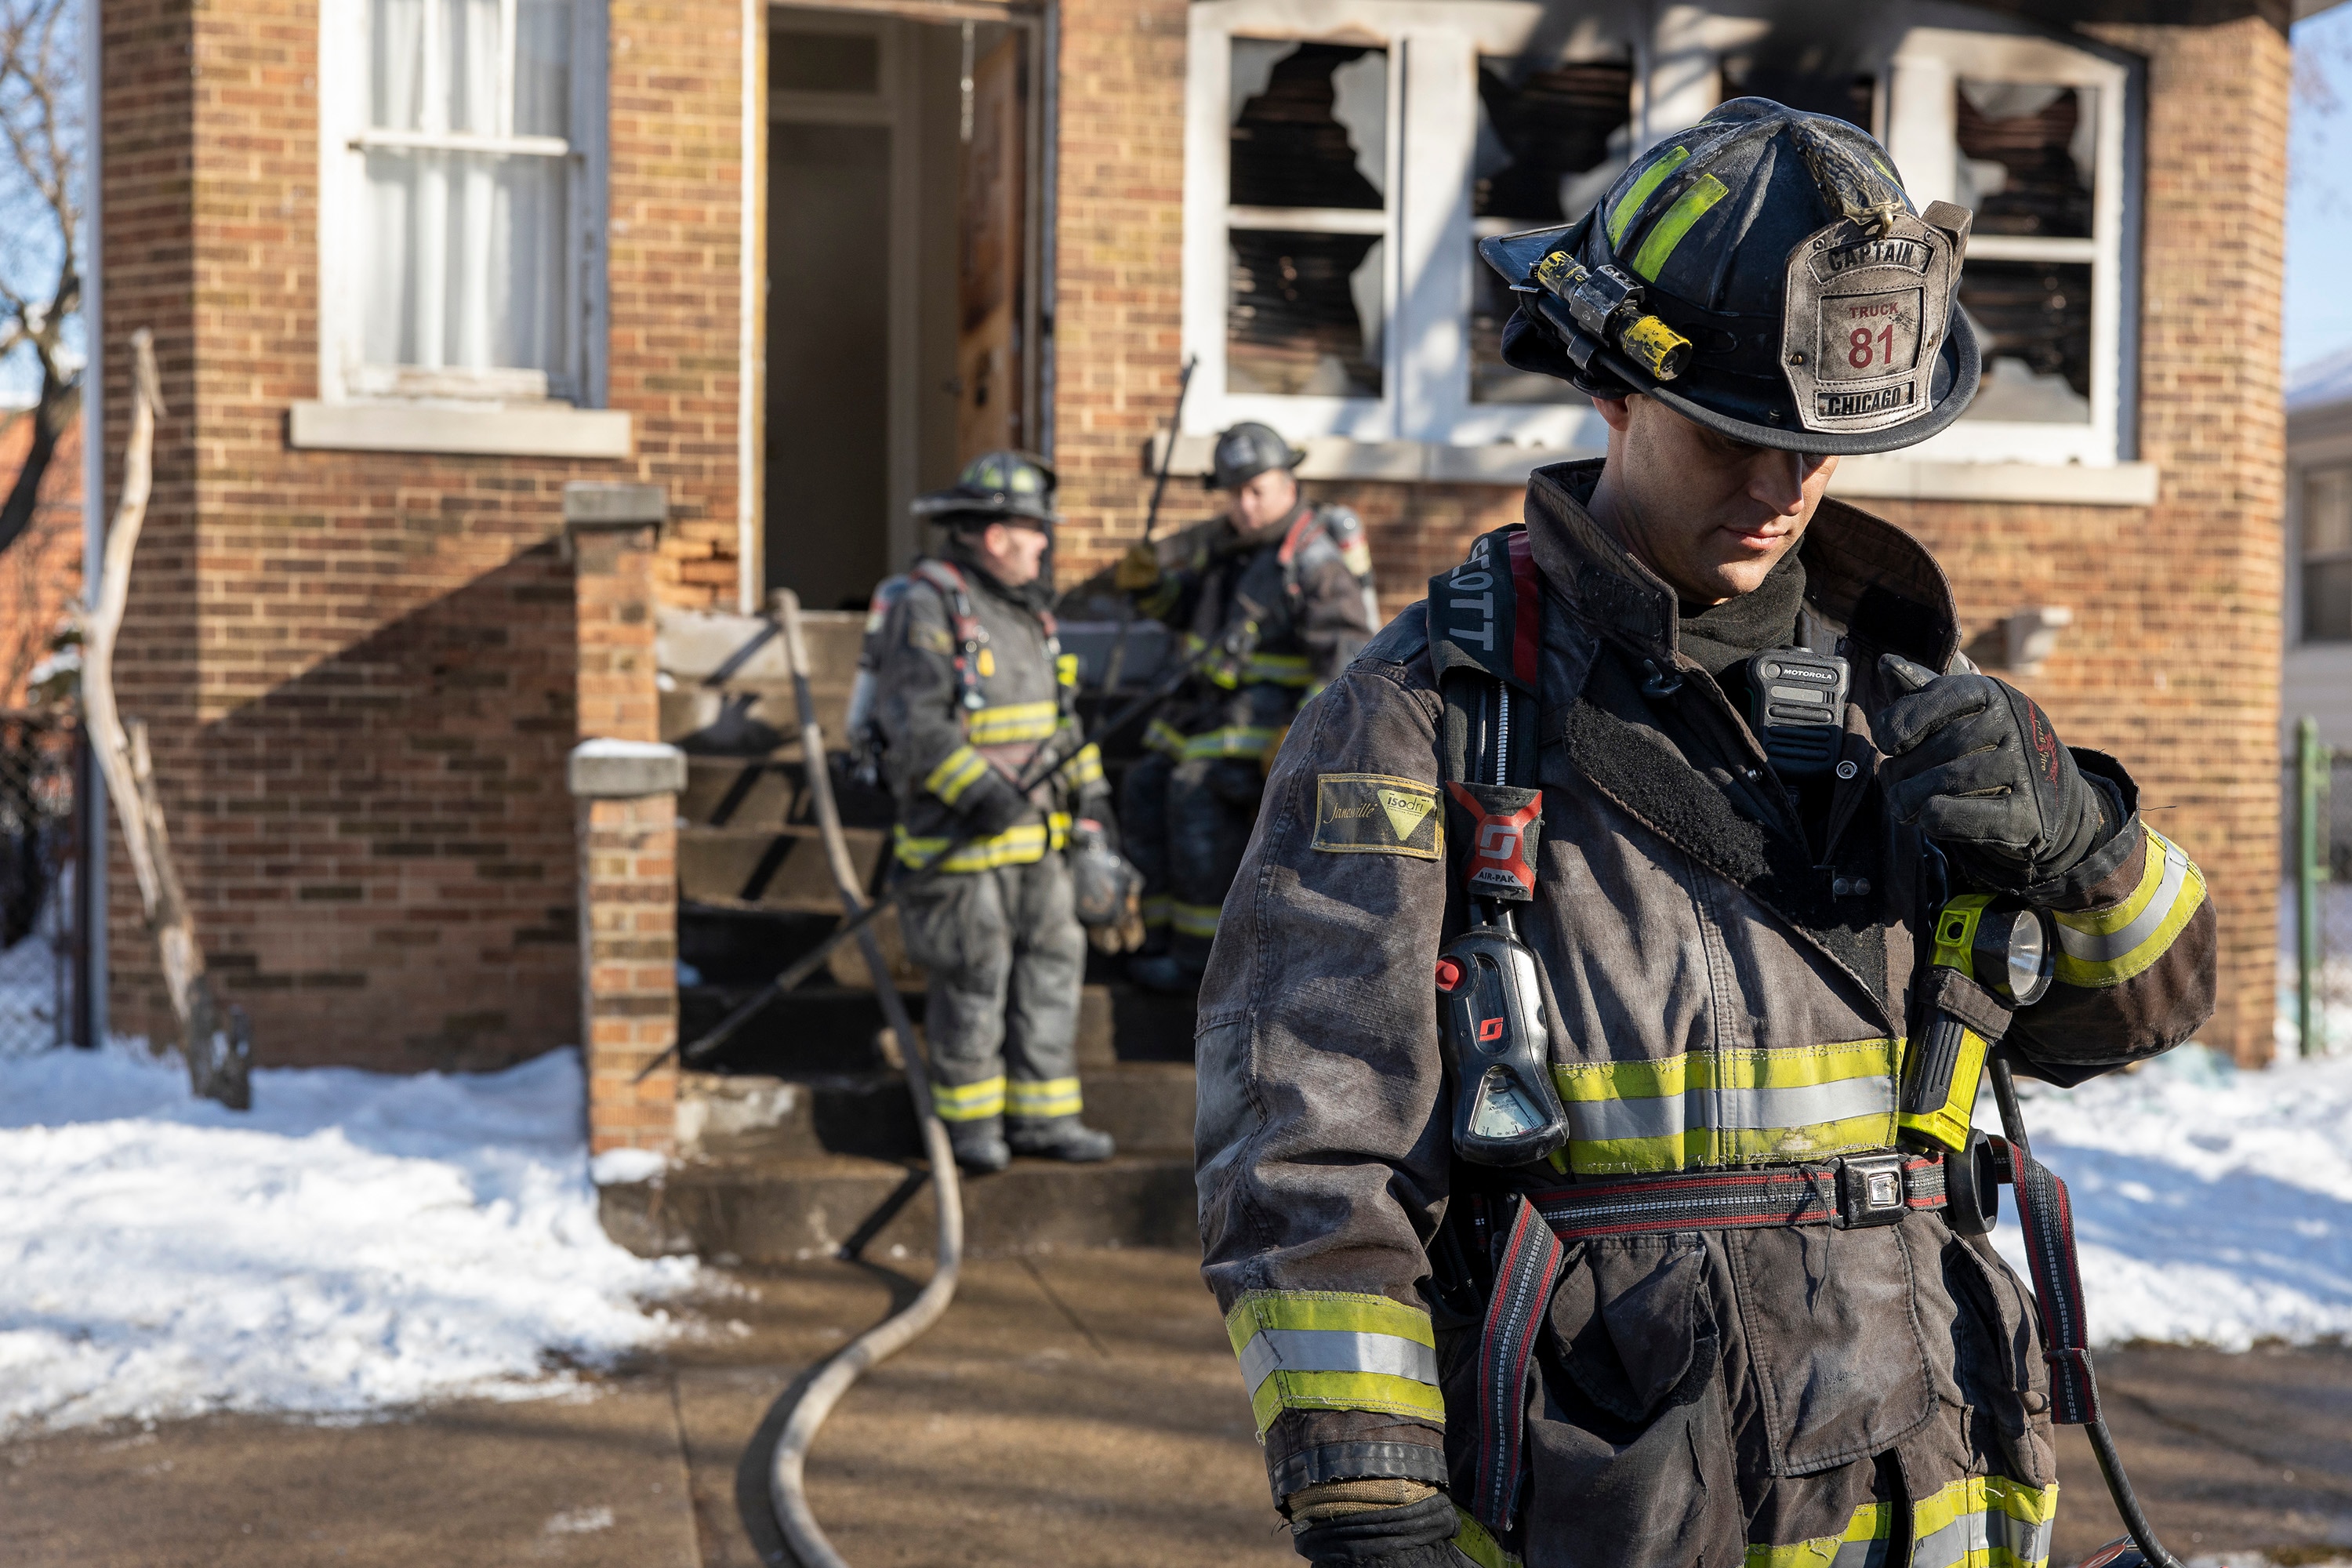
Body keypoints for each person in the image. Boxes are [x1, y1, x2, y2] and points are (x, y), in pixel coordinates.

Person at [1193, 100, 2216, 1568]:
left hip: (1939, 1492)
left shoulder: (1915, 699)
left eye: (1820, 447)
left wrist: (2080, 847)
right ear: (1613, 390)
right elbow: (1307, 1152)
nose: (1781, 487)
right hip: (1631, 1515)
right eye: (1736, 434)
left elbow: (2142, 1018)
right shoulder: (1424, 716)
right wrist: (1371, 1503)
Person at [870, 451, 1123, 1175]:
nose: (1044, 543)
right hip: (961, 844)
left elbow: (1061, 727)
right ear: (993, 534)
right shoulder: (930, 605)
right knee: (973, 974)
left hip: (1039, 846)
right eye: (1033, 530)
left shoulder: (1030, 615)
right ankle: (969, 1126)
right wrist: (979, 793)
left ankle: (1045, 1116)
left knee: (1053, 965)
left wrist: (1094, 802)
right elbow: (915, 724)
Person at [1114, 422, 1381, 993]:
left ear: (1289, 483)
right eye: (1236, 493)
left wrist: (1297, 734)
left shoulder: (1313, 562)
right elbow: (1192, 613)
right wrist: (1149, 589)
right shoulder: (1229, 549)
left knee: (1192, 791)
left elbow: (1347, 663)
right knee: (1142, 784)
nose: (1246, 504)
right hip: (1207, 720)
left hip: (1262, 737)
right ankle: (1152, 937)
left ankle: (1201, 965)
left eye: (1258, 490)